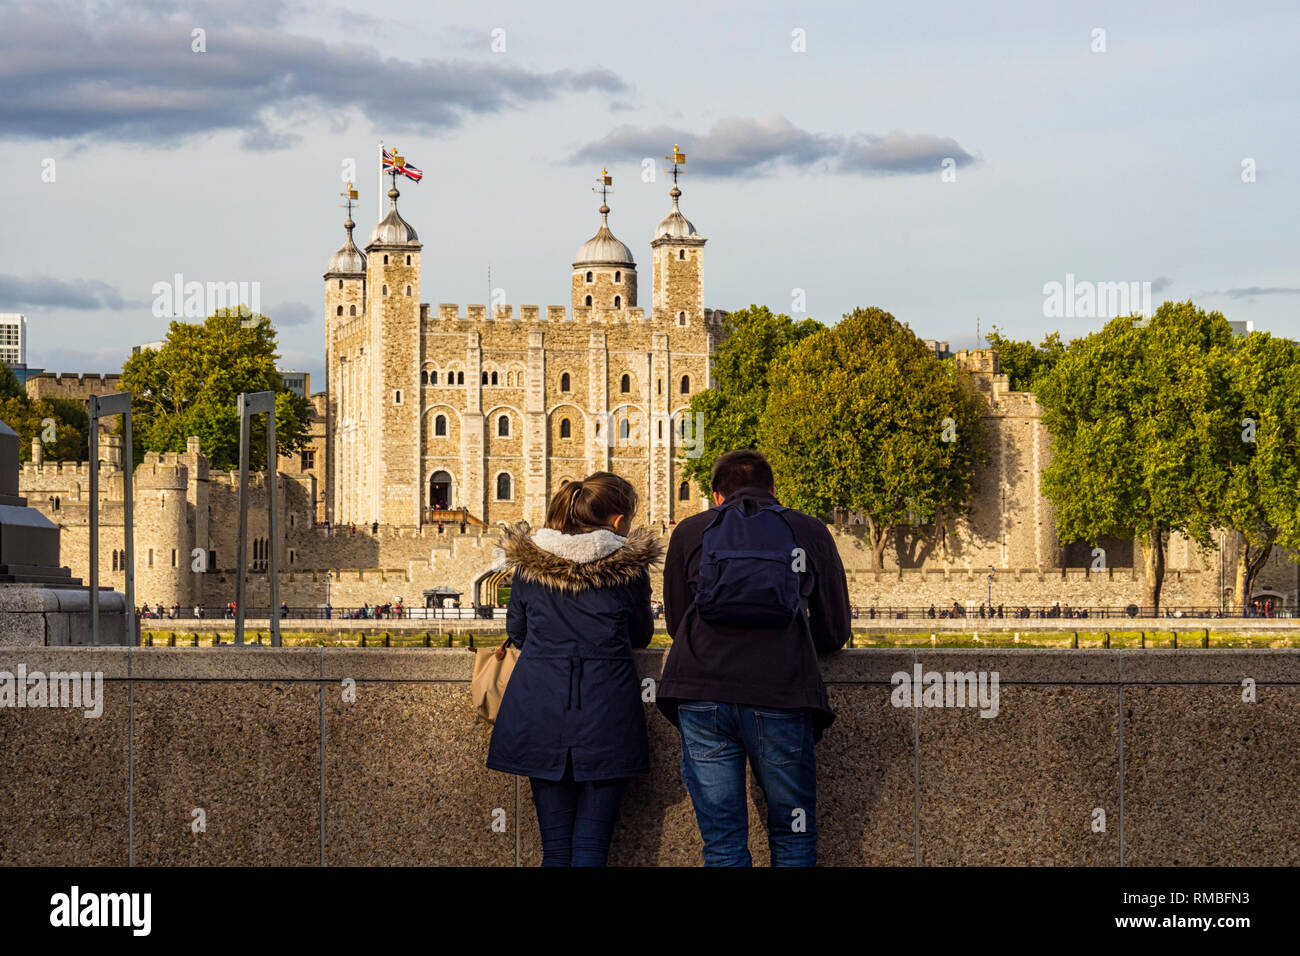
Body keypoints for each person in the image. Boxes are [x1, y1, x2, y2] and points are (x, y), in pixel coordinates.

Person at [657, 449, 850, 866]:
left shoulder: (691, 532)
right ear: (774, 491)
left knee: (724, 840)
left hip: (701, 691)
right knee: (793, 833)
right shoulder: (808, 530)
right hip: (781, 693)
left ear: (716, 496)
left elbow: (676, 622)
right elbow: (834, 631)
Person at [487, 472, 661, 867]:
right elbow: (641, 635)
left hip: (539, 709)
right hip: (606, 713)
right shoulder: (629, 568)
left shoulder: (529, 566)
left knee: (556, 849)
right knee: (590, 849)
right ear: (618, 521)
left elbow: (517, 632)